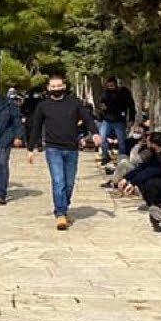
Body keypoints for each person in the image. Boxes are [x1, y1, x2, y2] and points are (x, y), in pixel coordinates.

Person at [28, 75, 101, 230]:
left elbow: (87, 118)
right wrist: (30, 148)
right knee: (58, 181)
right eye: (53, 86)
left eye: (59, 86)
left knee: (69, 183)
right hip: (53, 148)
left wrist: (95, 133)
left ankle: (63, 207)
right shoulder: (43, 106)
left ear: (64, 86)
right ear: (48, 88)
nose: (56, 89)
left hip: (71, 148)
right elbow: (36, 127)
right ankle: (60, 213)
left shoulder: (74, 103)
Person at [97, 77, 136, 165]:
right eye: (109, 86)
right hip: (107, 119)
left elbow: (131, 105)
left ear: (116, 84)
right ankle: (105, 156)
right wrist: (102, 112)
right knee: (102, 137)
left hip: (119, 120)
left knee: (121, 140)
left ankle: (122, 158)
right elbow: (101, 104)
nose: (110, 87)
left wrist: (131, 118)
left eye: (112, 85)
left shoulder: (123, 92)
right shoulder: (105, 93)